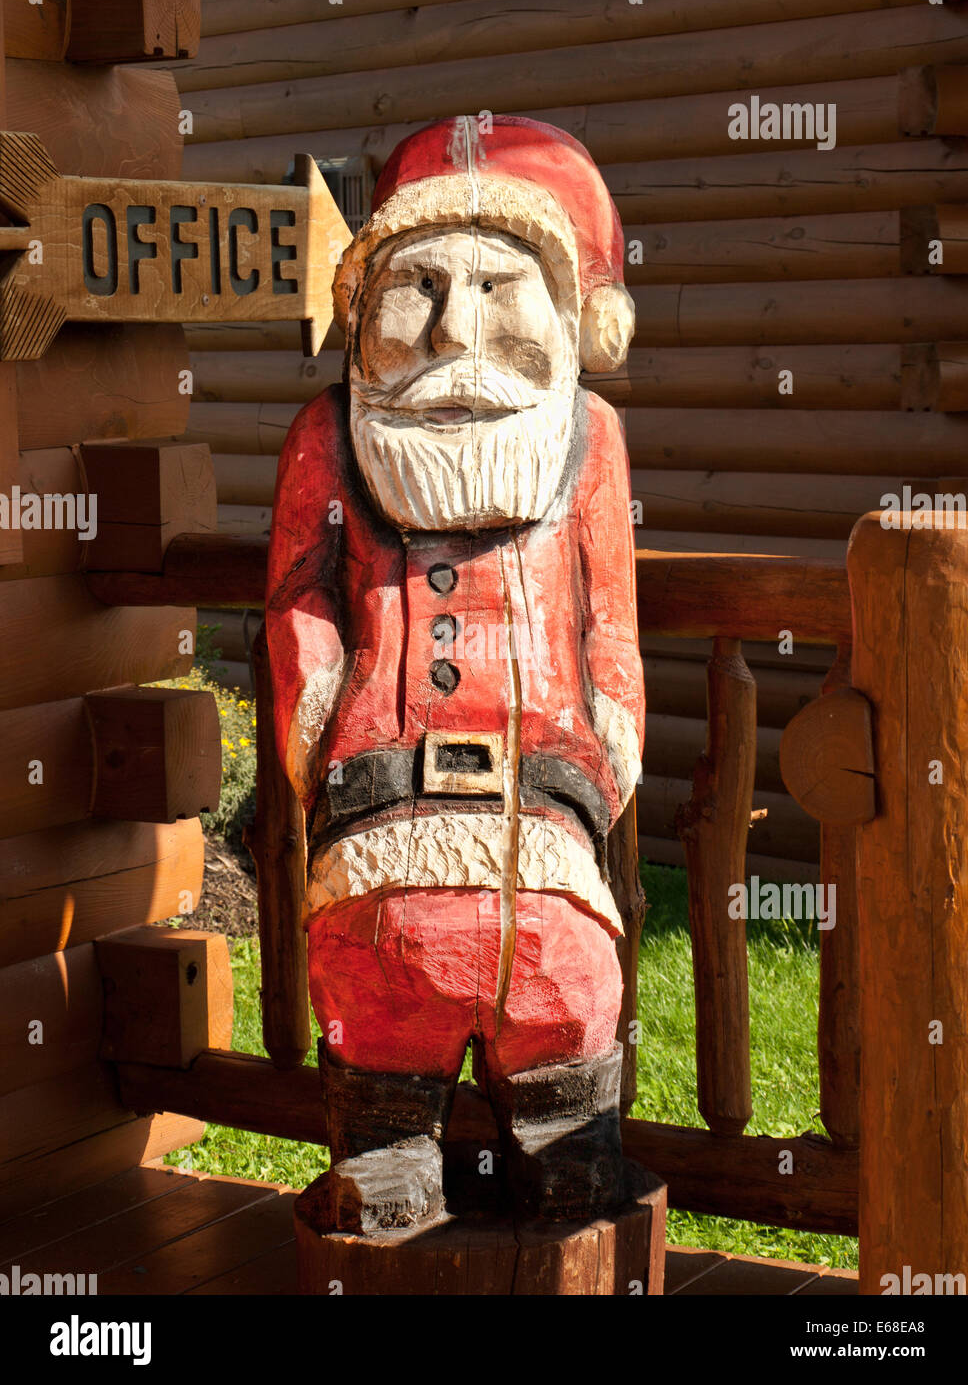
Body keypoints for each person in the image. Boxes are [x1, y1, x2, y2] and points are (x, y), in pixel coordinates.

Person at [266, 113, 644, 1227]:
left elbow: (610, 615)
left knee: (568, 989)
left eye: (496, 286)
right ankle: (388, 1156)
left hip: (547, 799)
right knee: (373, 983)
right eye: (416, 287)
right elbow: (299, 596)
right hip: (382, 795)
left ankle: (568, 1150)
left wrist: (609, 729)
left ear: (571, 310)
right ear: (362, 304)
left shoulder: (590, 442)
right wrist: (320, 714)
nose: (452, 329)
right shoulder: (327, 439)